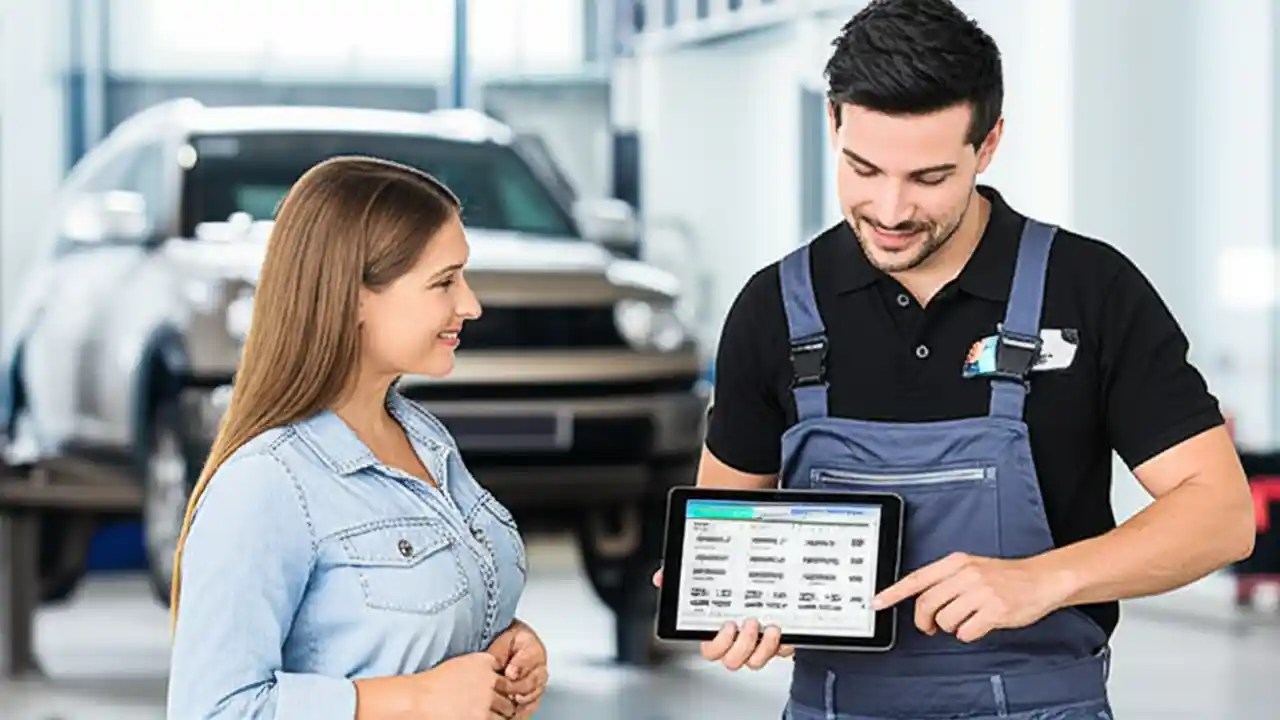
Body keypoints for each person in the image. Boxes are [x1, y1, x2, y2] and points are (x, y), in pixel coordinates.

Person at [655, 0, 1257, 718]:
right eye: (863, 168)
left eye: (929, 178)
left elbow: (1220, 515)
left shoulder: (1090, 290)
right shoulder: (773, 309)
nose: (890, 208)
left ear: (989, 144)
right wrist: (740, 609)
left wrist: (1042, 580)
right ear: (833, 123)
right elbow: (730, 527)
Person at [166, 156, 548, 719]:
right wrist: (415, 702)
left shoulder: (425, 440)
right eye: (444, 281)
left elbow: (407, 630)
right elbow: (212, 710)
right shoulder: (267, 483)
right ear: (353, 296)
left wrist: (509, 648)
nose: (470, 305)